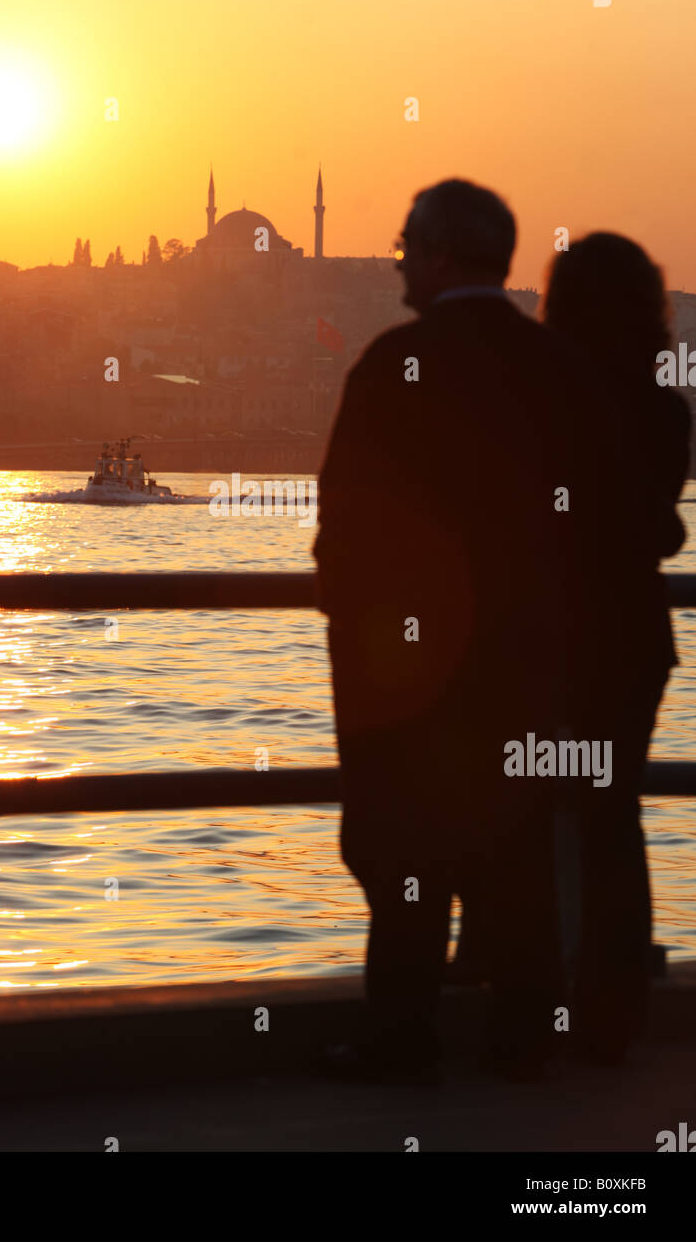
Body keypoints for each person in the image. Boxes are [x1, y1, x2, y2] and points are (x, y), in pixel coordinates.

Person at [313, 179, 634, 1082]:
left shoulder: (394, 366)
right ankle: (523, 1038)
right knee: (517, 852)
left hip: (406, 671)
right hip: (530, 668)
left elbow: (347, 525)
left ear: (444, 254)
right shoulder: (560, 369)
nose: (398, 257)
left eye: (409, 242)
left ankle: (402, 1036)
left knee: (401, 857)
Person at [541, 233, 689, 1062]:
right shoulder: (663, 403)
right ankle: (616, 992)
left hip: (558, 636)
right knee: (612, 815)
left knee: (540, 809)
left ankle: (545, 988)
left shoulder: (551, 395)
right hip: (636, 641)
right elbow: (656, 523)